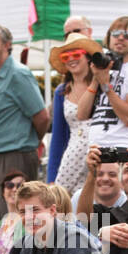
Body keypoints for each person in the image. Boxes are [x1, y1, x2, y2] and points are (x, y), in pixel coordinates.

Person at [0, 23, 50, 208]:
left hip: (13, 160)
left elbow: (42, 117)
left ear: (8, 45)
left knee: (16, 218)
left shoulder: (18, 74)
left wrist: (28, 143)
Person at [77, 17, 128, 159]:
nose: (121, 38)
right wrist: (96, 79)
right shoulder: (104, 69)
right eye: (116, 34)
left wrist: (106, 86)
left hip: (121, 148)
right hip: (94, 148)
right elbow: (81, 114)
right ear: (109, 38)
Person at [45, 33, 99, 193]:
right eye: (65, 56)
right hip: (73, 156)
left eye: (76, 54)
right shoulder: (62, 91)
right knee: (65, 208)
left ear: (88, 57)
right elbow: (58, 137)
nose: (71, 59)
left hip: (98, 155)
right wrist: (51, 178)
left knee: (99, 213)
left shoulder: (101, 85)